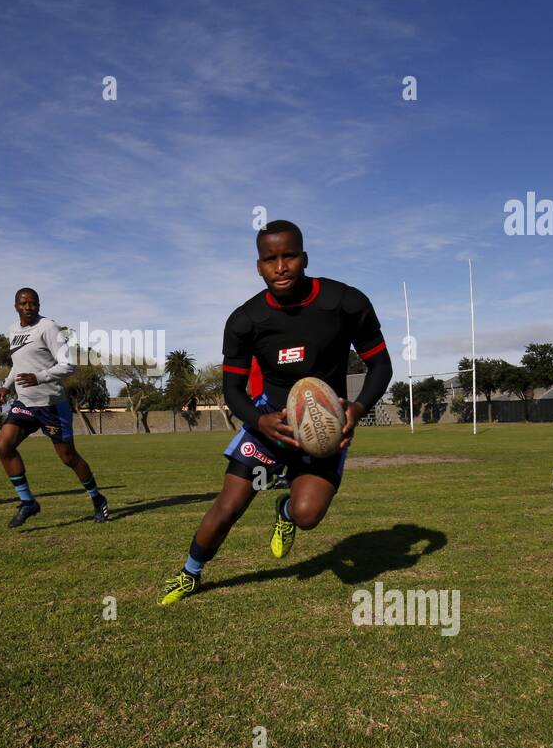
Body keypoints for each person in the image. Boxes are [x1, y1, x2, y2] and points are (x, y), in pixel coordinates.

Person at [159, 220, 392, 605]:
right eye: (271, 259)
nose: (281, 267)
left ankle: (284, 509)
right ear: (259, 266)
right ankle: (190, 574)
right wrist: (259, 420)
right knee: (228, 506)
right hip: (270, 421)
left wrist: (357, 408)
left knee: (308, 515)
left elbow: (381, 366)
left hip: (322, 424)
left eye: (289, 256)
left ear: (304, 258)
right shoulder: (246, 320)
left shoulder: (344, 302)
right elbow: (232, 390)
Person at [0, 288, 109, 527]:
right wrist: (5, 385)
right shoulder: (13, 331)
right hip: (25, 403)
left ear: (38, 305)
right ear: (15, 306)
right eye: (23, 303)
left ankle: (97, 498)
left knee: (68, 457)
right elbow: (17, 365)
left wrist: (40, 377)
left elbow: (69, 365)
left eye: (33, 303)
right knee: (4, 445)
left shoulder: (48, 328)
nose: (28, 307)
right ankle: (28, 502)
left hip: (52, 406)